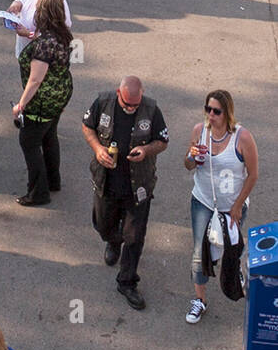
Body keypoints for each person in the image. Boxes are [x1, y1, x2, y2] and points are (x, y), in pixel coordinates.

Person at [82, 76, 169, 309]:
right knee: (102, 224)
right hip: (107, 182)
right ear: (118, 93)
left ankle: (127, 281)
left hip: (137, 186)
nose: (131, 108)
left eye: (135, 105)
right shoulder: (103, 102)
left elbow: (163, 141)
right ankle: (112, 240)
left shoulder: (151, 109)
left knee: (135, 237)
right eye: (127, 104)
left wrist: (146, 149)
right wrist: (98, 149)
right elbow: (87, 127)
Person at [183, 90, 259, 324]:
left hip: (232, 207)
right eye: (208, 109)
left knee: (229, 248)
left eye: (216, 111)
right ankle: (199, 300)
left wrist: (237, 206)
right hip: (203, 202)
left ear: (227, 112)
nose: (211, 115)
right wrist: (192, 156)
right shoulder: (199, 131)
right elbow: (187, 165)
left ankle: (234, 265)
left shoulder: (242, 137)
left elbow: (253, 174)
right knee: (200, 253)